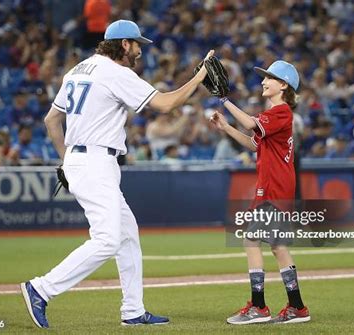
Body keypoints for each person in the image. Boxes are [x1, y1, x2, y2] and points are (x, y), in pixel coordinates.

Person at [20, 19, 213, 328]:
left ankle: (133, 311)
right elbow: (166, 104)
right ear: (124, 44)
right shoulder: (116, 72)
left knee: (127, 236)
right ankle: (41, 288)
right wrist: (200, 76)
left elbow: (51, 120)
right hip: (96, 161)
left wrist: (66, 161)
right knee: (108, 239)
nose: (139, 50)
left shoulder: (79, 69)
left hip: (84, 160)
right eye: (137, 44)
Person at [210, 61, 310, 325]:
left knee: (252, 240)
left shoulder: (281, 111)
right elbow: (254, 145)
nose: (264, 81)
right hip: (274, 185)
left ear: (284, 85)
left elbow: (253, 124)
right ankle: (296, 307)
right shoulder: (276, 115)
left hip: (274, 187)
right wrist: (227, 128)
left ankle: (259, 306)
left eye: (270, 78)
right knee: (276, 246)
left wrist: (225, 101)